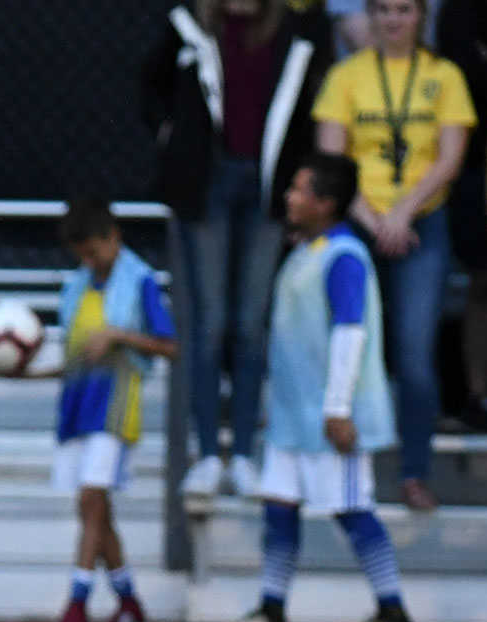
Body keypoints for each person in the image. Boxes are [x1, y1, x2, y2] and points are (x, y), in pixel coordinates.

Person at [218, 153, 416, 622]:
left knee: (352, 508)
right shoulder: (306, 250)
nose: (289, 197)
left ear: (326, 203)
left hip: (330, 415)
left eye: (299, 190)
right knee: (279, 508)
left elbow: (350, 334)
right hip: (292, 415)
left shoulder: (343, 256)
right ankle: (272, 607)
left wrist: (337, 408)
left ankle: (393, 613)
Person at [142, 0, 333, 498]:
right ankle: (207, 454)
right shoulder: (188, 25)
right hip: (208, 188)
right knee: (211, 322)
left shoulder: (294, 31)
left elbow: (315, 106)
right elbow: (147, 83)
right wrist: (173, 137)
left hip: (268, 189)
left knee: (251, 324)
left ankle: (245, 454)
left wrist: (300, 188)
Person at [314, 0, 476, 510]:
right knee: (348, 348)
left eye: (404, 9)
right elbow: (331, 157)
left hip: (421, 223)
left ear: (421, 15)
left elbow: (450, 157)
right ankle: (337, 468)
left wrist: (403, 212)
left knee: (413, 353)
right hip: (359, 225)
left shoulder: (444, 76)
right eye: (382, 9)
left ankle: (413, 473)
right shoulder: (346, 75)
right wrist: (373, 217)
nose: (392, 19)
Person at [43, 198, 178, 622]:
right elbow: (74, 356)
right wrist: (22, 372)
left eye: (94, 251)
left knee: (90, 499)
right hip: (78, 404)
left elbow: (170, 345)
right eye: (81, 255)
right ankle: (130, 605)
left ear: (113, 236)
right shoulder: (77, 286)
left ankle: (77, 604)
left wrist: (119, 335)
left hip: (116, 405)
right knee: (96, 509)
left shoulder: (139, 282)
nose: (89, 261)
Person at [435, 0, 487, 433]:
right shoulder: (460, 10)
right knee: (475, 279)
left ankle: (482, 396)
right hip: (463, 157)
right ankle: (468, 395)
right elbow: (473, 75)